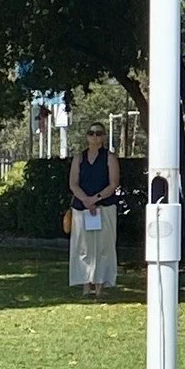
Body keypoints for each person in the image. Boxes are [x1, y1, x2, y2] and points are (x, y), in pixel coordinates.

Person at [68, 122, 120, 299]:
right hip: (81, 208)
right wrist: (85, 200)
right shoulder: (79, 158)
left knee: (103, 246)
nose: (95, 137)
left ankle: (100, 284)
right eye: (91, 133)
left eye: (98, 134)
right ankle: (85, 284)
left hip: (104, 207)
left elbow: (113, 183)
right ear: (87, 136)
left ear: (103, 137)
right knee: (83, 246)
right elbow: (73, 183)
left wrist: (96, 199)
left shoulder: (109, 158)